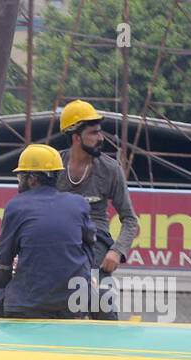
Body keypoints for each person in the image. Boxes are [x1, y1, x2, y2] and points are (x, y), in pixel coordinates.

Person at [0, 144, 96, 320]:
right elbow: (90, 246)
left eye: (20, 177)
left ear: (32, 179)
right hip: (74, 303)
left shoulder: (16, 206)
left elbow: (4, 262)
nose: (19, 182)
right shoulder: (78, 204)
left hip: (27, 304)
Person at [56, 99, 141, 320]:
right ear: (76, 137)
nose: (101, 138)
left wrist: (117, 251)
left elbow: (130, 220)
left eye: (99, 132)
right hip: (60, 246)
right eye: (94, 133)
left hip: (96, 247)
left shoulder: (110, 169)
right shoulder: (53, 166)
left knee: (102, 306)